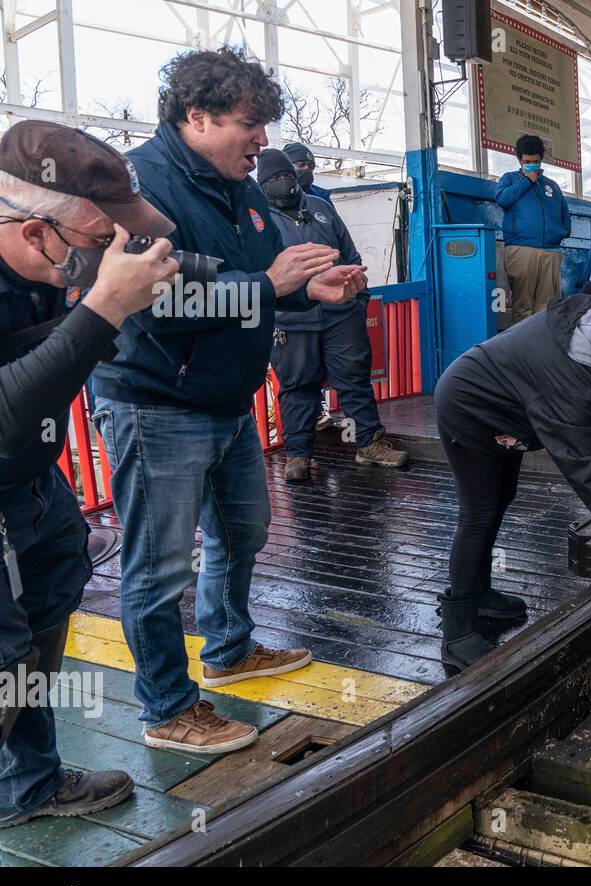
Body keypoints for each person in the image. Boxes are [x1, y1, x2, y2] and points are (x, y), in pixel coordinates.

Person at [92, 47, 367, 755]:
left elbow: (250, 276)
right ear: (198, 116)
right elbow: (151, 301)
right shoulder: (138, 188)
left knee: (241, 533)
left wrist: (309, 289)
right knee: (157, 567)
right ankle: (166, 707)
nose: (263, 141)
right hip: (156, 403)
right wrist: (272, 286)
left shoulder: (239, 187)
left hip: (227, 401)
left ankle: (228, 648)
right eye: (250, 124)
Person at [0, 122, 179, 828]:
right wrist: (103, 306)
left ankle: (29, 785)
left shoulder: (39, 268)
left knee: (42, 626)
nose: (113, 253)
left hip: (27, 485)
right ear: (31, 228)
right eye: (98, 239)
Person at [432, 270, 591, 671]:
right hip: (470, 408)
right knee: (479, 512)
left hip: (508, 407)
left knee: (500, 500)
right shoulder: (573, 378)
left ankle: (478, 593)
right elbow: (585, 466)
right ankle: (458, 631)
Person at [257, 148, 408, 481]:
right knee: (298, 387)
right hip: (290, 322)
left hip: (340, 314)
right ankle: (297, 455)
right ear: (261, 185)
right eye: (274, 179)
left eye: (288, 175)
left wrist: (357, 299)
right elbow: (259, 277)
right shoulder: (257, 220)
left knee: (354, 378)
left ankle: (369, 443)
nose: (284, 182)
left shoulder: (321, 208)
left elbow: (351, 254)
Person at [495, 134, 571, 326]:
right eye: (527, 162)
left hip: (550, 252)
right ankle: (521, 353)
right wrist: (527, 181)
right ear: (519, 160)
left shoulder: (551, 186)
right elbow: (502, 199)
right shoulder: (510, 179)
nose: (532, 165)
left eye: (535, 162)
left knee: (546, 309)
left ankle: (540, 352)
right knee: (522, 308)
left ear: (541, 159)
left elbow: (564, 213)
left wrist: (560, 232)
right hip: (521, 250)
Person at [282, 141, 335, 208]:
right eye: (301, 165)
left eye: (310, 166)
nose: (306, 168)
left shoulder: (322, 197)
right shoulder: (273, 195)